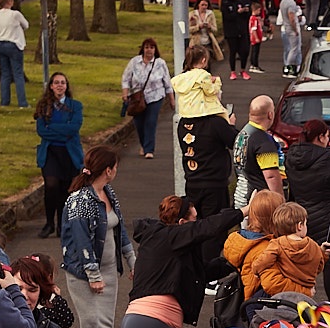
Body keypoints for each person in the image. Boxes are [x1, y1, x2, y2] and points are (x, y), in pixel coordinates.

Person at [119, 196, 244, 328]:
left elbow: (202, 273)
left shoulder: (172, 248)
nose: (198, 223)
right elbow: (208, 227)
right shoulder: (167, 237)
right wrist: (245, 211)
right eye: (194, 219)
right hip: (149, 325)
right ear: (182, 223)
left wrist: (234, 262)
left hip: (139, 324)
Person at [56, 147, 132, 328]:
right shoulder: (80, 201)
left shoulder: (109, 193)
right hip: (83, 273)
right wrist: (93, 275)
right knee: (90, 322)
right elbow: (81, 241)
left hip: (109, 270)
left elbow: (119, 229)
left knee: (107, 322)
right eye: (115, 167)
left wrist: (131, 260)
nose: (117, 171)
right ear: (108, 170)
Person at [284, 119, 330, 305]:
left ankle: (295, 302)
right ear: (320, 137)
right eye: (326, 136)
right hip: (329, 219)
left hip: (304, 218)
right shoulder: (328, 159)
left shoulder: (292, 156)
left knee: (301, 263)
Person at [173, 45, 236, 222]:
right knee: (214, 229)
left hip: (192, 182)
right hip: (214, 185)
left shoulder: (183, 124)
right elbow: (235, 142)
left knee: (195, 227)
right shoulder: (215, 123)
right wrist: (230, 125)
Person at [34, 73, 84, 238]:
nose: (60, 85)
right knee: (51, 185)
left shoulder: (75, 106)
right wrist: (63, 129)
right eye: (56, 82)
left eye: (63, 82)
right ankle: (49, 223)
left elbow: (74, 128)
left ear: (66, 86)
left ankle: (62, 225)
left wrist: (52, 128)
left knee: (65, 189)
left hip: (69, 153)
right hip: (50, 152)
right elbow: (42, 131)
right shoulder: (43, 106)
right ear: (51, 86)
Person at [240, 203, 325, 300]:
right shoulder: (313, 245)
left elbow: (264, 261)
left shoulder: (277, 244)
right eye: (305, 223)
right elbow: (319, 265)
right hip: (306, 291)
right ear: (300, 226)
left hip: (285, 294)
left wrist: (255, 270)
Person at [120, 38, 173, 162]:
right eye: (147, 47)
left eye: (152, 47)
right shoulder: (134, 62)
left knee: (150, 121)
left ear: (155, 50)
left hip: (156, 96)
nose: (149, 50)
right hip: (137, 98)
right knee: (139, 123)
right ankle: (144, 144)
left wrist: (171, 99)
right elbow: (126, 78)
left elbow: (167, 82)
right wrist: (125, 93)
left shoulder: (160, 63)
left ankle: (149, 150)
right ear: (143, 49)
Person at [230, 95, 286, 210]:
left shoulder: (242, 134)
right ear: (270, 114)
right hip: (259, 204)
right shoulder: (263, 141)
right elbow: (271, 176)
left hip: (241, 199)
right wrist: (281, 202)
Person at [0, 0, 29, 108]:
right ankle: (22, 102)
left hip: (0, 43)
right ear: (10, 1)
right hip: (13, 44)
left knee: (5, 74)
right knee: (18, 73)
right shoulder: (15, 14)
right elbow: (26, 25)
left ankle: (4, 101)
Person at [219, 0, 251, 81]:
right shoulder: (225, 3)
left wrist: (246, 11)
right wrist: (237, 12)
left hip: (242, 30)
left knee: (244, 50)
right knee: (233, 51)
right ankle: (232, 71)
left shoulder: (240, 2)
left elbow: (247, 16)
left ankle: (243, 69)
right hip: (231, 31)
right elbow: (227, 17)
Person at [278, 0, 307, 79]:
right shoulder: (291, 3)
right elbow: (291, 17)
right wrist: (295, 29)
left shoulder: (283, 1)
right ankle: (289, 68)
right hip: (291, 29)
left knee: (289, 49)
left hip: (285, 28)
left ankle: (288, 68)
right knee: (294, 49)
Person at [186, 0, 223, 72]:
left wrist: (209, 27)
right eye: (202, 5)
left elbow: (215, 29)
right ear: (198, 5)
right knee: (196, 64)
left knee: (207, 63)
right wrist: (198, 27)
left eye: (206, 5)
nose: (204, 7)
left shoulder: (210, 14)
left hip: (207, 43)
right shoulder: (192, 14)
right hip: (196, 43)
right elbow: (188, 29)